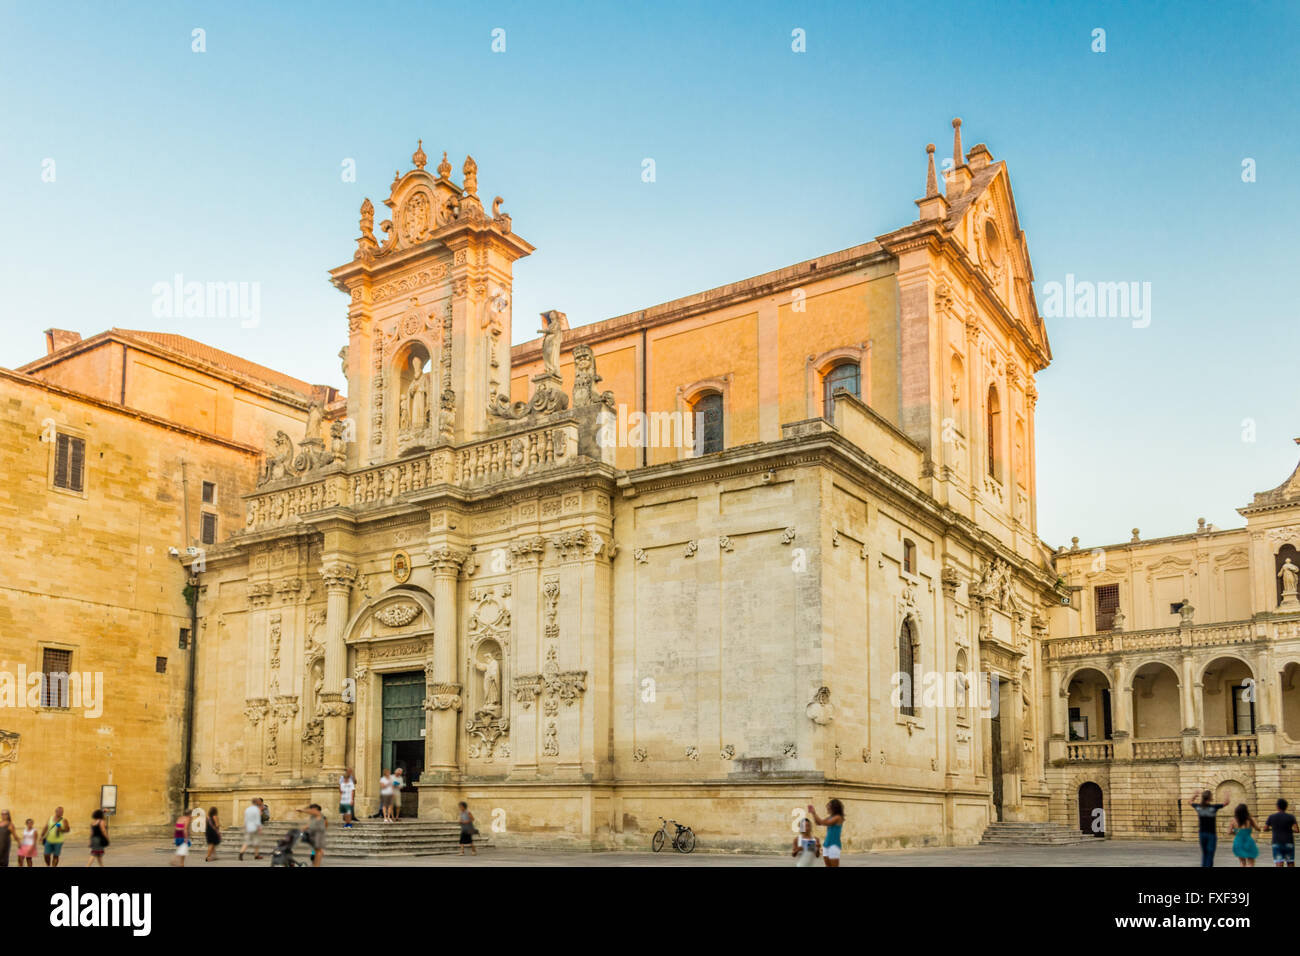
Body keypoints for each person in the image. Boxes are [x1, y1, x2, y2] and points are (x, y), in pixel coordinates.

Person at [1189, 790, 1226, 867]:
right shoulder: (1214, 808)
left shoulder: (1198, 807)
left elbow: (1190, 802)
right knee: (1210, 853)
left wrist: (1195, 795)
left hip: (1202, 834)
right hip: (1211, 835)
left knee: (1205, 853)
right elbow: (1226, 803)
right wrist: (1227, 795)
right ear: (1210, 798)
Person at [807, 799, 845, 867]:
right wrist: (813, 813)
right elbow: (818, 823)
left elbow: (824, 823)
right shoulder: (830, 817)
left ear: (834, 807)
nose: (827, 807)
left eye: (829, 806)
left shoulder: (838, 817)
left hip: (834, 845)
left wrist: (814, 813)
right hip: (826, 845)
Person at [1264, 798, 1298, 867]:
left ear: (1277, 807)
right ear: (1286, 807)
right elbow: (1297, 830)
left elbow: (1265, 828)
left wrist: (1272, 829)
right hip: (1289, 842)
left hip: (1277, 842)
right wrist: (1289, 829)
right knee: (1290, 862)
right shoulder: (1291, 817)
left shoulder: (1272, 817)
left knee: (1279, 863)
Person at [1229, 803, 1259, 867]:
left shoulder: (1233, 820)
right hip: (1248, 842)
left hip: (1238, 842)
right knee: (1251, 863)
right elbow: (1258, 828)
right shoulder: (1250, 819)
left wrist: (1236, 831)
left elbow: (1229, 832)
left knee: (1242, 862)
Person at [297, 804, 327, 868]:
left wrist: (302, 810)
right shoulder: (313, 817)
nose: (311, 810)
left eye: (313, 809)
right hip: (313, 834)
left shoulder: (319, 814)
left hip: (318, 834)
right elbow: (309, 825)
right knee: (317, 851)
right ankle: (315, 864)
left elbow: (315, 813)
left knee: (318, 851)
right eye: (311, 808)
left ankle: (316, 865)